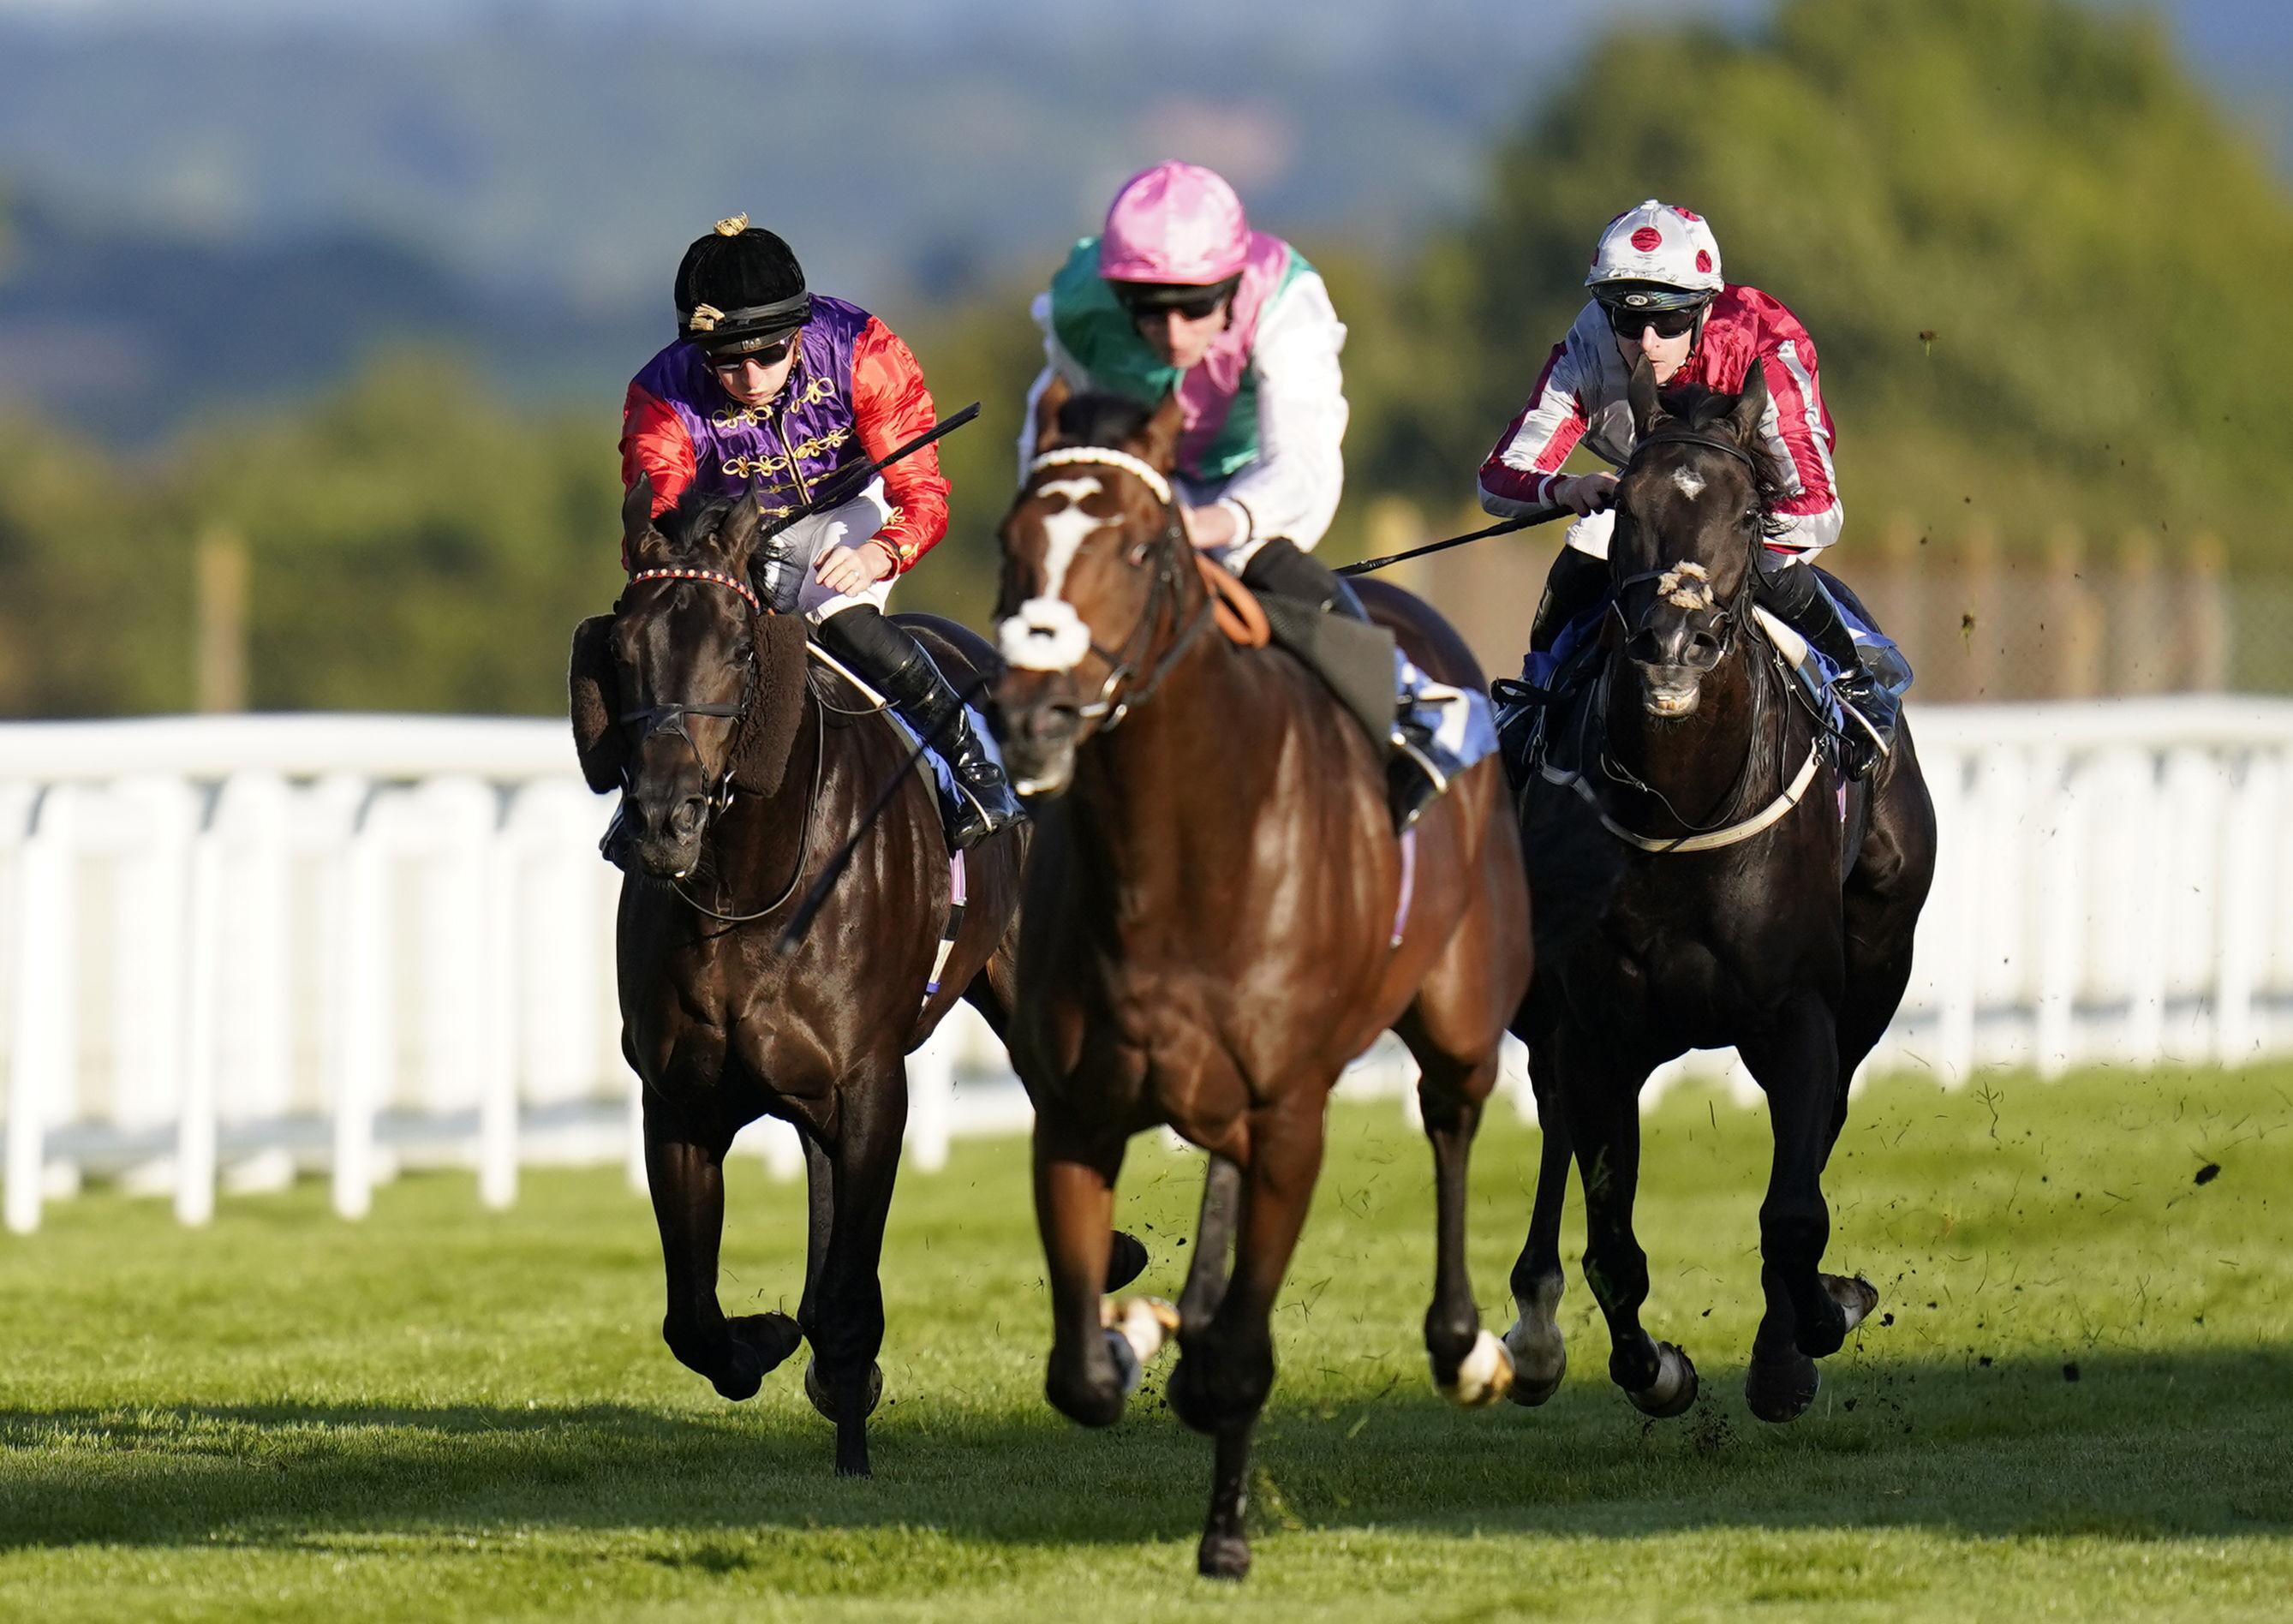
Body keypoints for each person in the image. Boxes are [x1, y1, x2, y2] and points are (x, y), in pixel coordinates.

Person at [620, 215, 1019, 847]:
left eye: (769, 354)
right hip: (737, 539)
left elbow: (922, 494)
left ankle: (973, 767)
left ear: (800, 334)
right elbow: (662, 521)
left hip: (851, 510)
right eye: (727, 361)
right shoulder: (661, 397)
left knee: (834, 610)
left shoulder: (864, 352)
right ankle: (638, 793)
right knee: (668, 636)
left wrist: (879, 554)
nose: (751, 378)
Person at [1477, 200, 1901, 776]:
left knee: (1765, 563)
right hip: (1652, 494)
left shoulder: (1763, 341)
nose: (1648, 343)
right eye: (1627, 320)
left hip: (1747, 505)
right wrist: (1565, 488)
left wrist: (1726, 528)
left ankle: (1854, 683)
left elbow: (1820, 511)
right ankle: (1537, 699)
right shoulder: (1586, 349)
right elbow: (1497, 479)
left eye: (1671, 321)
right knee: (1587, 542)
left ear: (1703, 307)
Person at [1018, 161, 1358, 617]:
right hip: (1153, 474)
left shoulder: (1284, 301)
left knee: (1251, 557)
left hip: (1259, 469)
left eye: (1196, 306)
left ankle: (1382, 659)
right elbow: (1061, 445)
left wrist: (1207, 524)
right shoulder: (1079, 311)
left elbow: (1301, 463)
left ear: (1233, 287)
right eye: (1149, 309)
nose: (1174, 335)